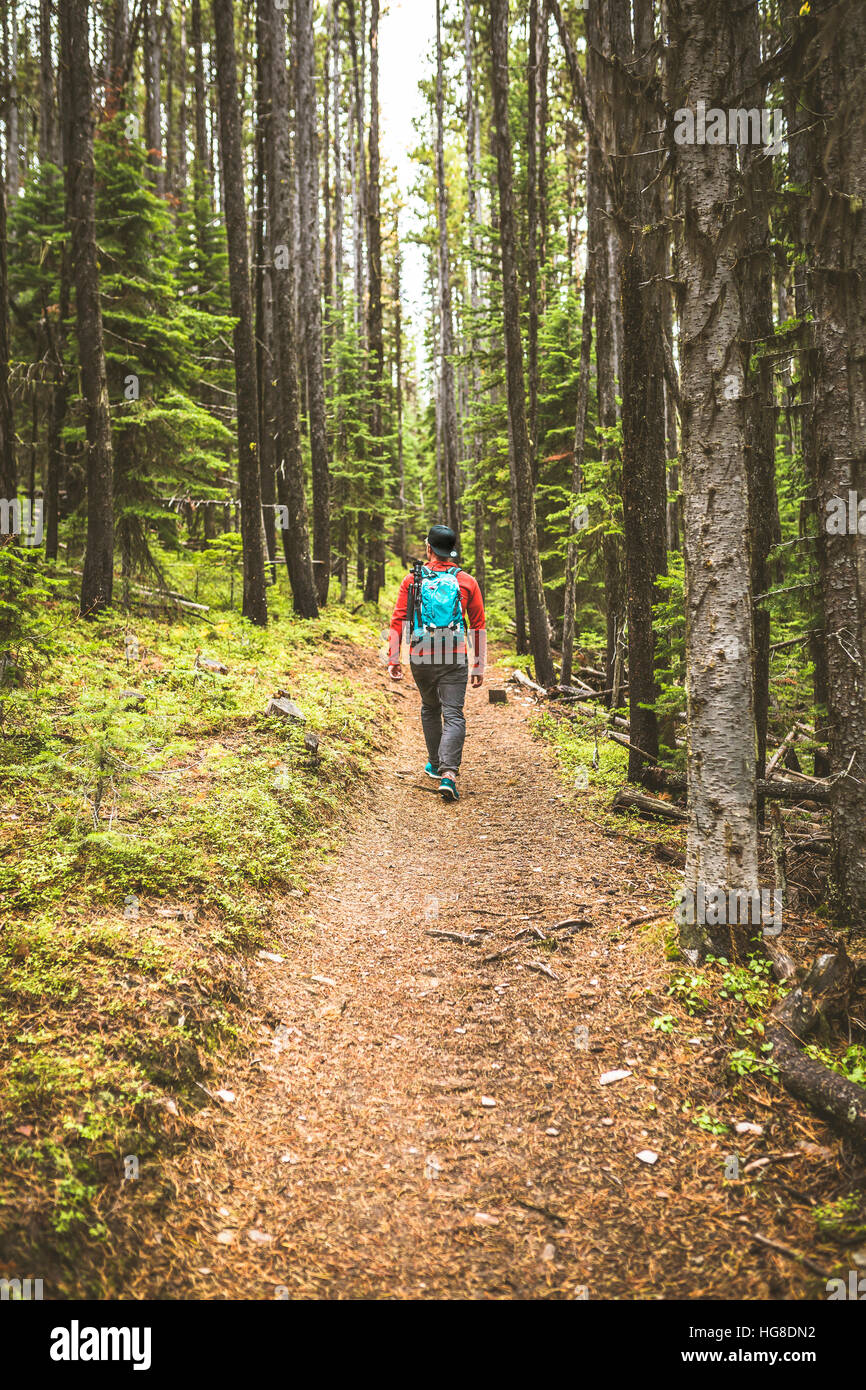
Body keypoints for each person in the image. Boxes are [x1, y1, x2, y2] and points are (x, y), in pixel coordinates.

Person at [388, 524, 486, 803]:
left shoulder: (412, 581)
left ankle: (434, 762)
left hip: (421, 654)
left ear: (429, 548)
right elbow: (477, 625)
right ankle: (449, 775)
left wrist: (394, 657)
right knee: (454, 714)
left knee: (430, 708)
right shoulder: (467, 581)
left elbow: (399, 621)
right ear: (452, 551)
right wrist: (478, 664)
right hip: (454, 655)